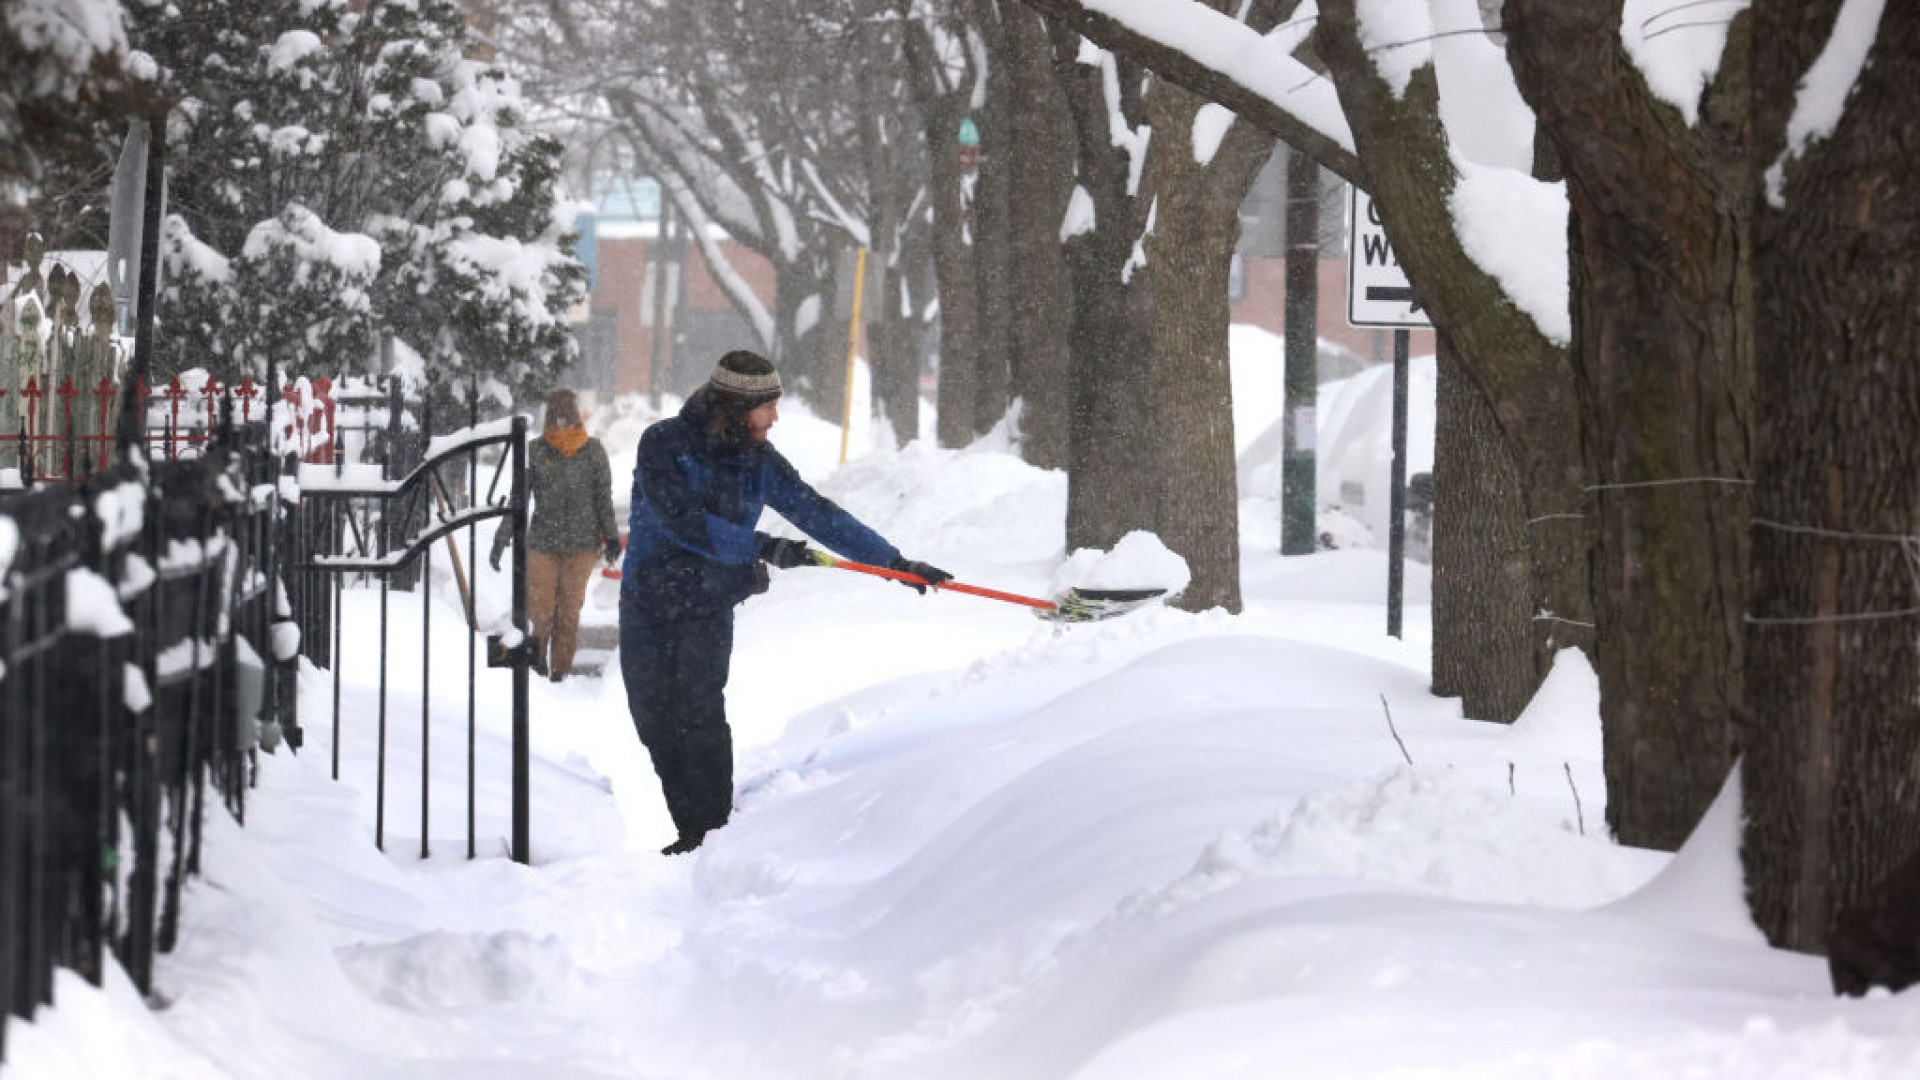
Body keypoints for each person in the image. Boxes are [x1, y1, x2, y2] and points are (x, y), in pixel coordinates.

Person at [619, 350, 949, 856]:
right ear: (734, 405)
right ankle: (689, 825)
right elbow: (680, 520)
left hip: (707, 603)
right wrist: (762, 547)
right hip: (647, 599)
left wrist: (894, 563)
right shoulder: (664, 444)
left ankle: (707, 837)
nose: (775, 417)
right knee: (654, 720)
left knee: (700, 713)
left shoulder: (759, 461)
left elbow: (817, 513)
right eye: (767, 406)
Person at [491, 388, 621, 681]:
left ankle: (559, 672)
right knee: (541, 611)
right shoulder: (536, 450)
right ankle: (536, 664)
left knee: (569, 613)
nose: (561, 422)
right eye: (556, 415)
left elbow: (603, 497)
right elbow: (519, 498)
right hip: (543, 544)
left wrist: (610, 536)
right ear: (549, 416)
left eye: (567, 415)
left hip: (582, 545)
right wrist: (502, 537)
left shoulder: (593, 450)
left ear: (576, 417)